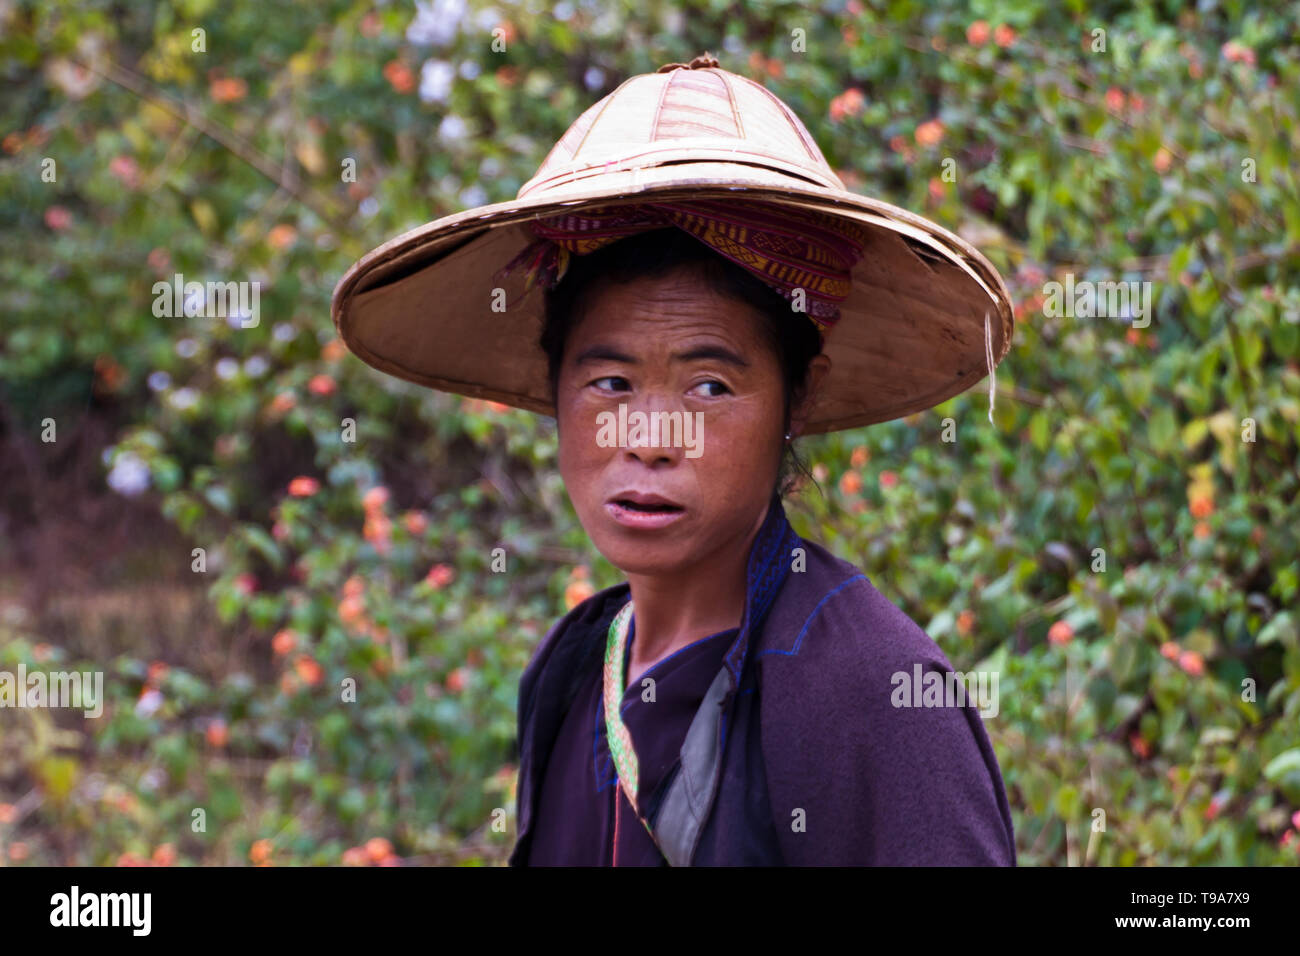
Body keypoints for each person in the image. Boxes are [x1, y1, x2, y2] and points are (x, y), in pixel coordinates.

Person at [333, 53, 1017, 865]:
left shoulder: (874, 693)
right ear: (554, 391)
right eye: (611, 382)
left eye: (708, 387)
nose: (649, 437)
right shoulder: (573, 669)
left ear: (797, 398)